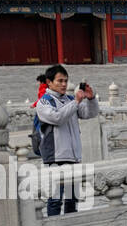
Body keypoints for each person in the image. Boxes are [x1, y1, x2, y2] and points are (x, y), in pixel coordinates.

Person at [35, 63, 98, 216]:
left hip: (73, 156)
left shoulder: (69, 99)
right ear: (49, 82)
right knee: (55, 198)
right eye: (60, 81)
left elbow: (89, 114)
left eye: (66, 81)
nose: (64, 84)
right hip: (56, 157)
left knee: (72, 199)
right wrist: (75, 102)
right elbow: (57, 118)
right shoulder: (44, 102)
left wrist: (91, 99)